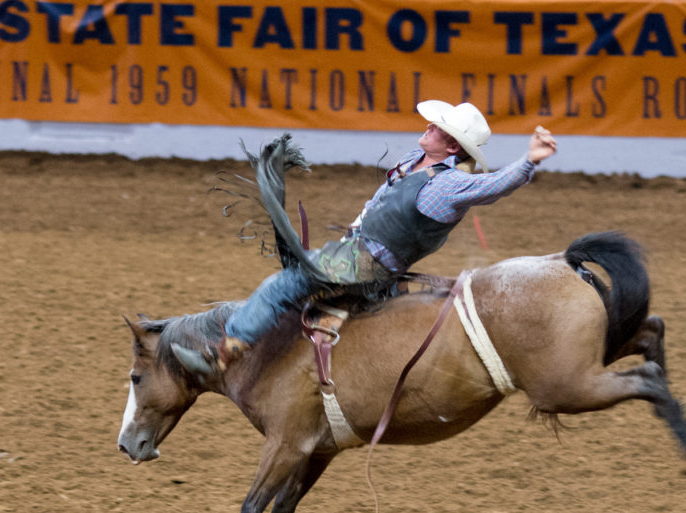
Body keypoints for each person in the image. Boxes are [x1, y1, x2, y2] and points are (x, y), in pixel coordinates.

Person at [217, 100, 558, 367]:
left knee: (283, 284)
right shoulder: (415, 159)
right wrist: (357, 226)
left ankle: (233, 343)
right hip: (356, 249)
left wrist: (529, 161)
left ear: (453, 146)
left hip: (369, 264)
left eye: (438, 128)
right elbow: (381, 198)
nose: (429, 126)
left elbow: (494, 185)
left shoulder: (448, 186)